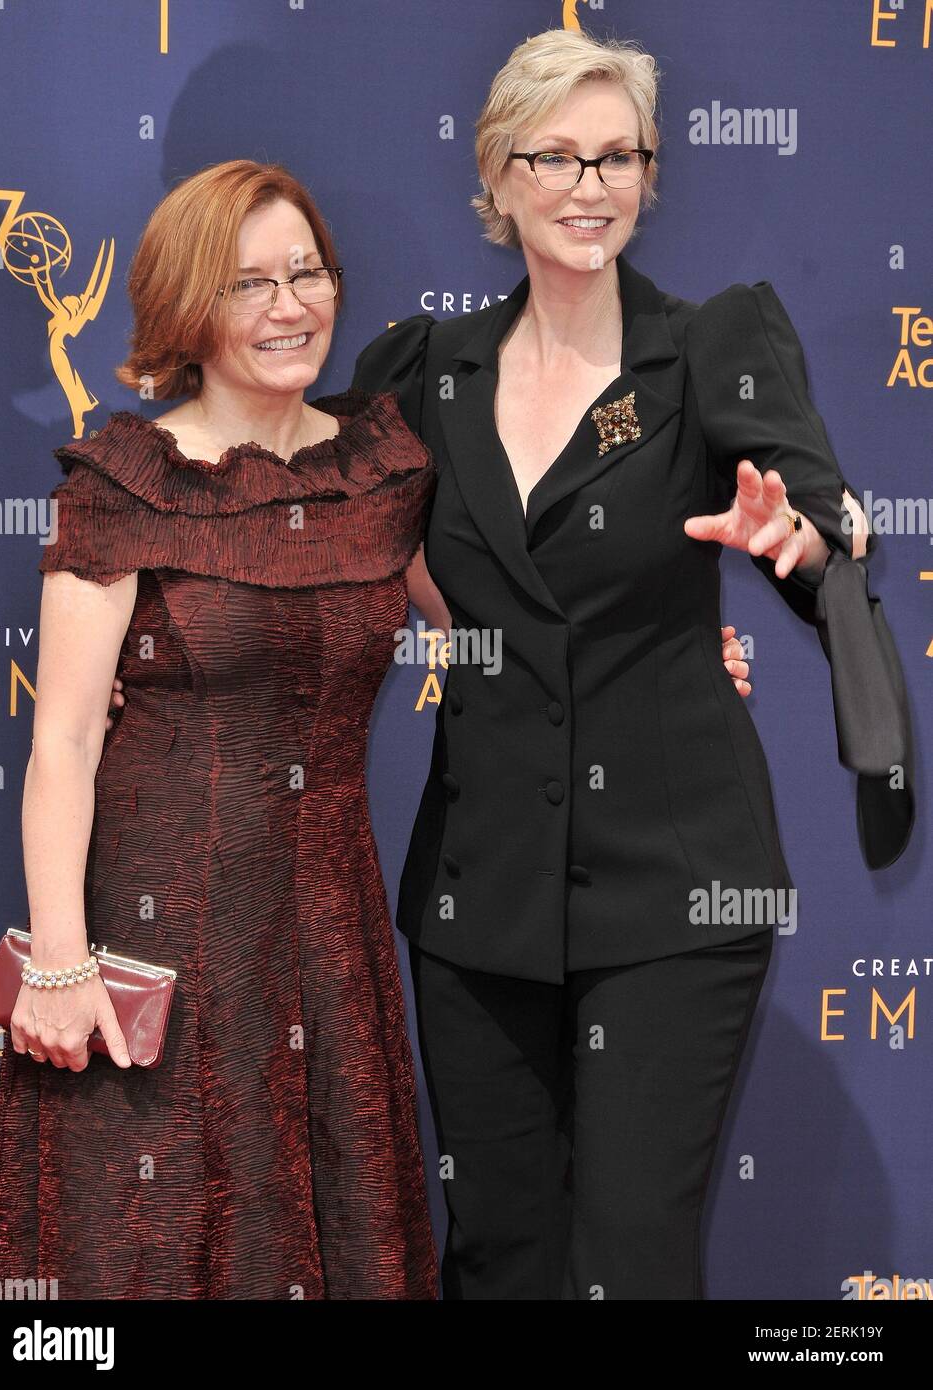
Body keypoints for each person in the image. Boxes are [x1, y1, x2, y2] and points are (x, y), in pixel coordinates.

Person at [349, 29, 914, 1298]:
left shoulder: (709, 343)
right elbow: (324, 533)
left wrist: (801, 542)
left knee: (629, 1264)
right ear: (496, 175)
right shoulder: (428, 374)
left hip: (675, 887)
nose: (589, 184)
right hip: (480, 892)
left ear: (651, 176)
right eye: (555, 156)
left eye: (619, 156)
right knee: (498, 1259)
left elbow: (822, 519)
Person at [0, 159, 440, 1299]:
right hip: (153, 946)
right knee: (145, 1244)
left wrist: (674, 660)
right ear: (189, 305)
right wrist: (65, 963)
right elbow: (66, 744)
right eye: (248, 285)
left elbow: (502, 648)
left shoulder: (382, 470)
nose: (290, 307)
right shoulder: (127, 482)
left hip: (327, 939)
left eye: (308, 273)